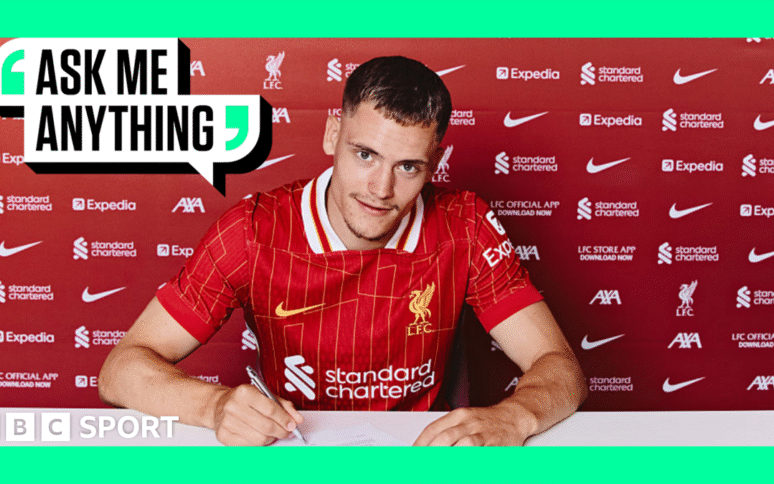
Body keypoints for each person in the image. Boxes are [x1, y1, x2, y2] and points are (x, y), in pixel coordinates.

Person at [98, 56, 587, 446]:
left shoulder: (464, 225)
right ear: (333, 134)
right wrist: (216, 408)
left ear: (433, 163)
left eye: (408, 167)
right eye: (365, 154)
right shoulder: (253, 231)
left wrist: (515, 418)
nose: (380, 187)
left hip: (420, 457)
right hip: (293, 452)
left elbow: (559, 365)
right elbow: (121, 370)